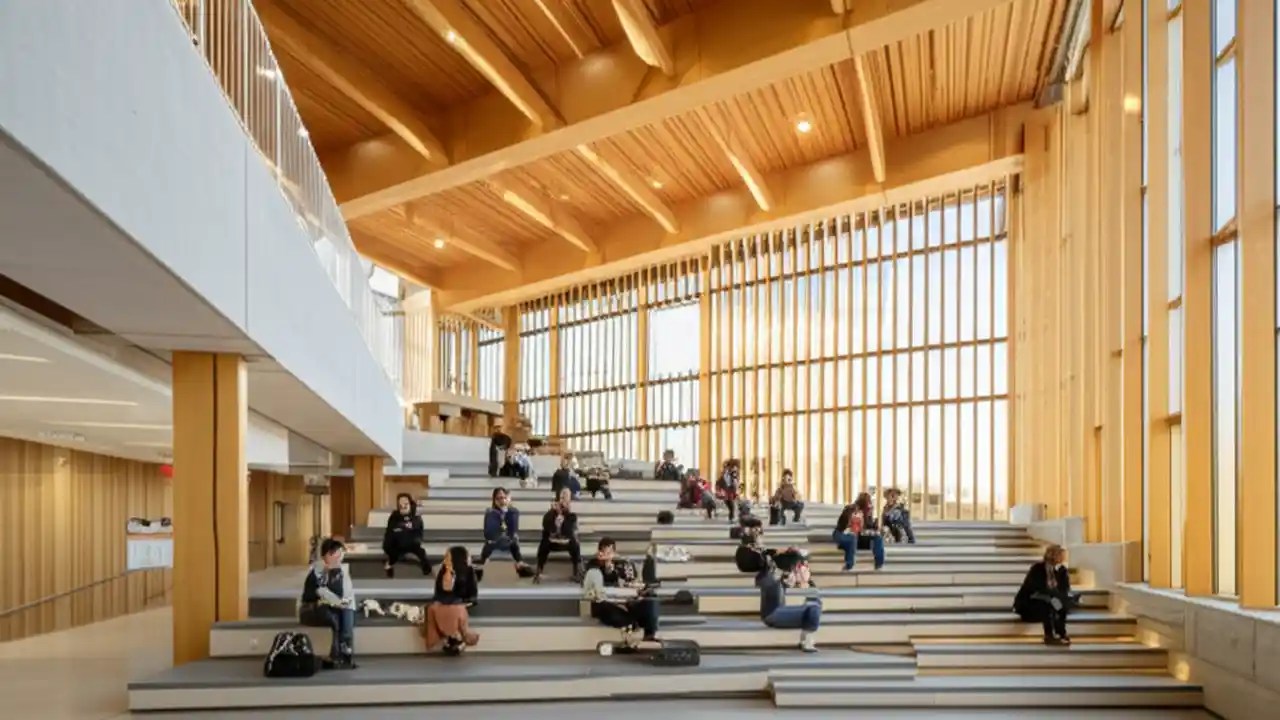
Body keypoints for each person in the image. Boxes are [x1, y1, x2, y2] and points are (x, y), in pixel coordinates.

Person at [581, 537, 660, 643]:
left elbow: (630, 580)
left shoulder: (622, 563)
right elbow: (597, 587)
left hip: (626, 600)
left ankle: (649, 633)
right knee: (608, 609)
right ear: (599, 552)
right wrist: (607, 566)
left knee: (651, 598)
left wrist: (637, 587)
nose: (608, 554)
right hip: (606, 602)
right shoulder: (592, 564)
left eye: (610, 552)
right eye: (605, 551)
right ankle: (632, 623)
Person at [298, 538, 357, 669]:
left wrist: (344, 604)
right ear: (327, 555)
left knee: (347, 610)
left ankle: (344, 653)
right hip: (311, 609)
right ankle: (338, 655)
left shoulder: (341, 571)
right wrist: (341, 603)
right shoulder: (318, 570)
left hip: (330, 605)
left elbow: (347, 594)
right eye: (336, 554)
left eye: (341, 554)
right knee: (337, 614)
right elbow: (322, 593)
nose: (340, 558)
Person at [756, 556, 821, 652]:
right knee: (813, 608)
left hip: (778, 610)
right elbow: (768, 588)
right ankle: (807, 641)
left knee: (814, 599)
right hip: (771, 615)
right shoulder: (769, 578)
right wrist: (782, 581)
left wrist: (785, 583)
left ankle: (805, 638)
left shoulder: (775, 577)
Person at [423, 546, 480, 655]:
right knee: (435, 608)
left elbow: (472, 593)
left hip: (461, 600)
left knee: (454, 608)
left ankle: (454, 636)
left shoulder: (468, 571)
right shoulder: (444, 570)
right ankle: (452, 637)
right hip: (444, 600)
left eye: (448, 556)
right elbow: (442, 590)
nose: (445, 558)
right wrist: (449, 572)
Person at [1014, 544, 1075, 646]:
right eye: (1060, 555)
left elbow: (1064, 589)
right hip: (1031, 603)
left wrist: (1061, 598)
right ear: (1052, 555)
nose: (1062, 558)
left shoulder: (1062, 570)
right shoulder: (1037, 568)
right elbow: (1034, 588)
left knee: (1059, 605)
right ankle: (1049, 636)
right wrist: (1052, 597)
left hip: (1054, 602)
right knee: (1048, 604)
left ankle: (1061, 634)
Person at [477, 488, 535, 581]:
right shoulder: (490, 512)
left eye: (504, 498)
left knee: (512, 540)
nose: (502, 501)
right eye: (499, 498)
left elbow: (513, 530)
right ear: (494, 500)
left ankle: (519, 563)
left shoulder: (513, 512)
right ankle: (483, 564)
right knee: (493, 541)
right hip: (494, 541)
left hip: (509, 541)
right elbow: (489, 532)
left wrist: (506, 511)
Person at [535, 488, 582, 584]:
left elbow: (568, 532)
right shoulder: (550, 514)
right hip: (552, 541)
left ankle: (577, 572)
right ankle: (539, 570)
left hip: (566, 541)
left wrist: (564, 515)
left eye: (566, 499)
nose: (563, 501)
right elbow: (546, 527)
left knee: (575, 545)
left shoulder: (572, 516)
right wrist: (554, 513)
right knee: (544, 544)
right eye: (562, 498)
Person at [382, 493, 432, 578]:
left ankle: (427, 572)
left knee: (421, 553)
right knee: (391, 550)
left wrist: (402, 528)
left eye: (405, 504)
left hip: (412, 543)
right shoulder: (394, 516)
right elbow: (390, 531)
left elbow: (418, 532)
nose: (403, 506)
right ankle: (390, 565)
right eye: (400, 505)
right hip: (396, 544)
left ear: (410, 503)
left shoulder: (416, 517)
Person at [833, 492, 885, 571]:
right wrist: (854, 516)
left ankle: (879, 564)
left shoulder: (868, 513)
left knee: (878, 537)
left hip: (858, 537)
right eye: (868, 503)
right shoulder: (850, 509)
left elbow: (868, 529)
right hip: (843, 534)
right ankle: (849, 564)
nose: (870, 506)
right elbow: (845, 525)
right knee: (852, 537)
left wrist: (875, 525)